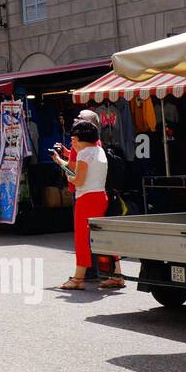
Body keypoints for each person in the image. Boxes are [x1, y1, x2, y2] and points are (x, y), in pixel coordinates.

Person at [53, 120, 125, 290]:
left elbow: (78, 179)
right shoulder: (98, 150)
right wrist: (59, 161)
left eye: (74, 139)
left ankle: (78, 278)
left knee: (82, 239)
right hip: (100, 196)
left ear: (80, 138)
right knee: (103, 238)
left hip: (86, 198)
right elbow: (80, 172)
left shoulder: (84, 154)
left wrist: (68, 177)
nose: (72, 142)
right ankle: (117, 275)